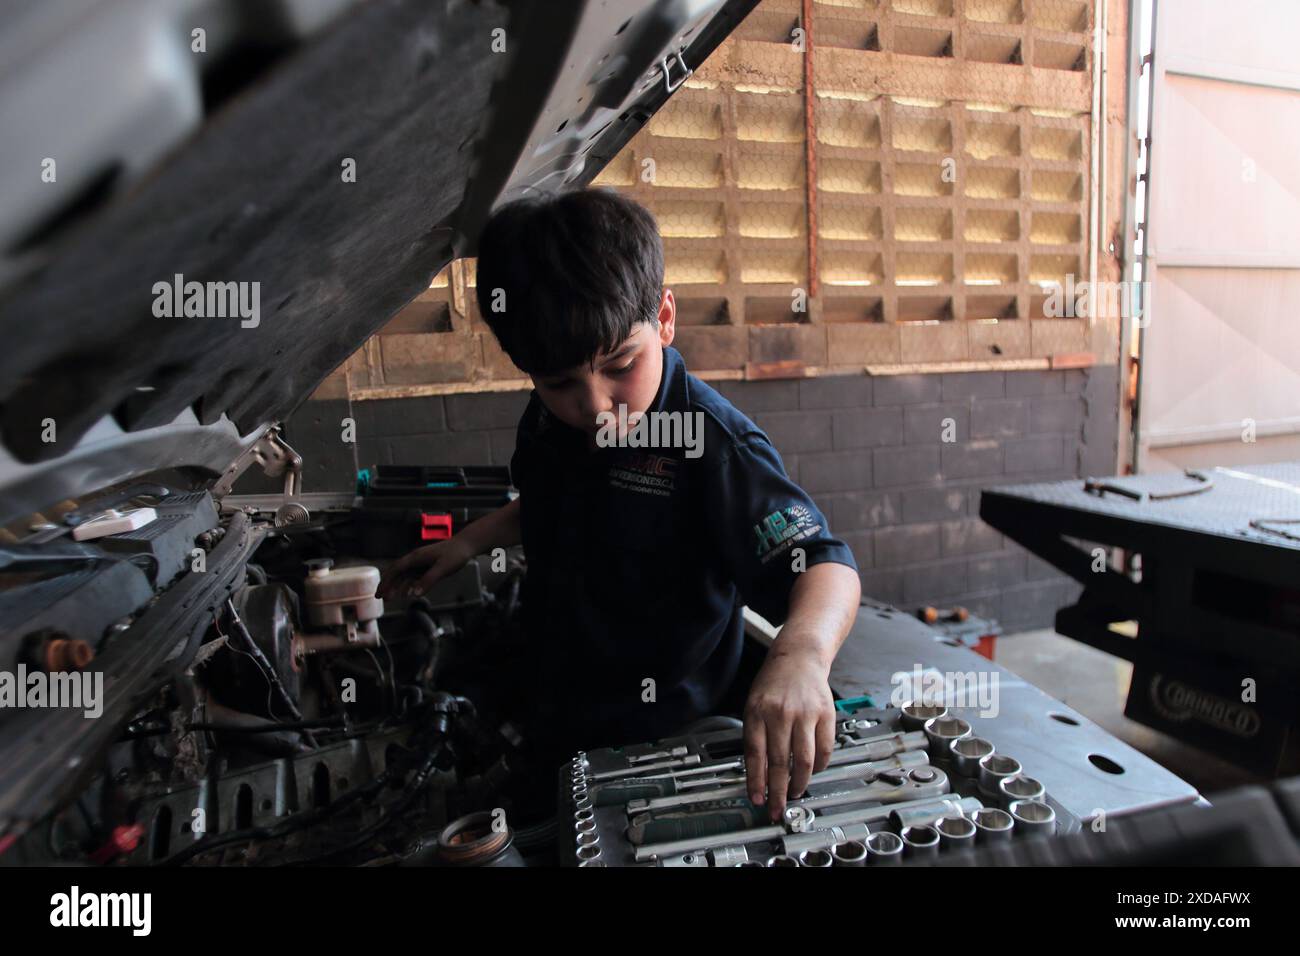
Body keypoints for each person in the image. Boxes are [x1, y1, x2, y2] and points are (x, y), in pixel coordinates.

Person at [379, 189, 861, 822]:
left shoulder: (712, 445)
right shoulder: (553, 421)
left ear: (663, 317)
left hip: (665, 740)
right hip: (560, 705)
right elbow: (557, 502)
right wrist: (472, 540)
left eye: (621, 365)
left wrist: (801, 656)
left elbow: (823, 563)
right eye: (559, 384)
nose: (598, 406)